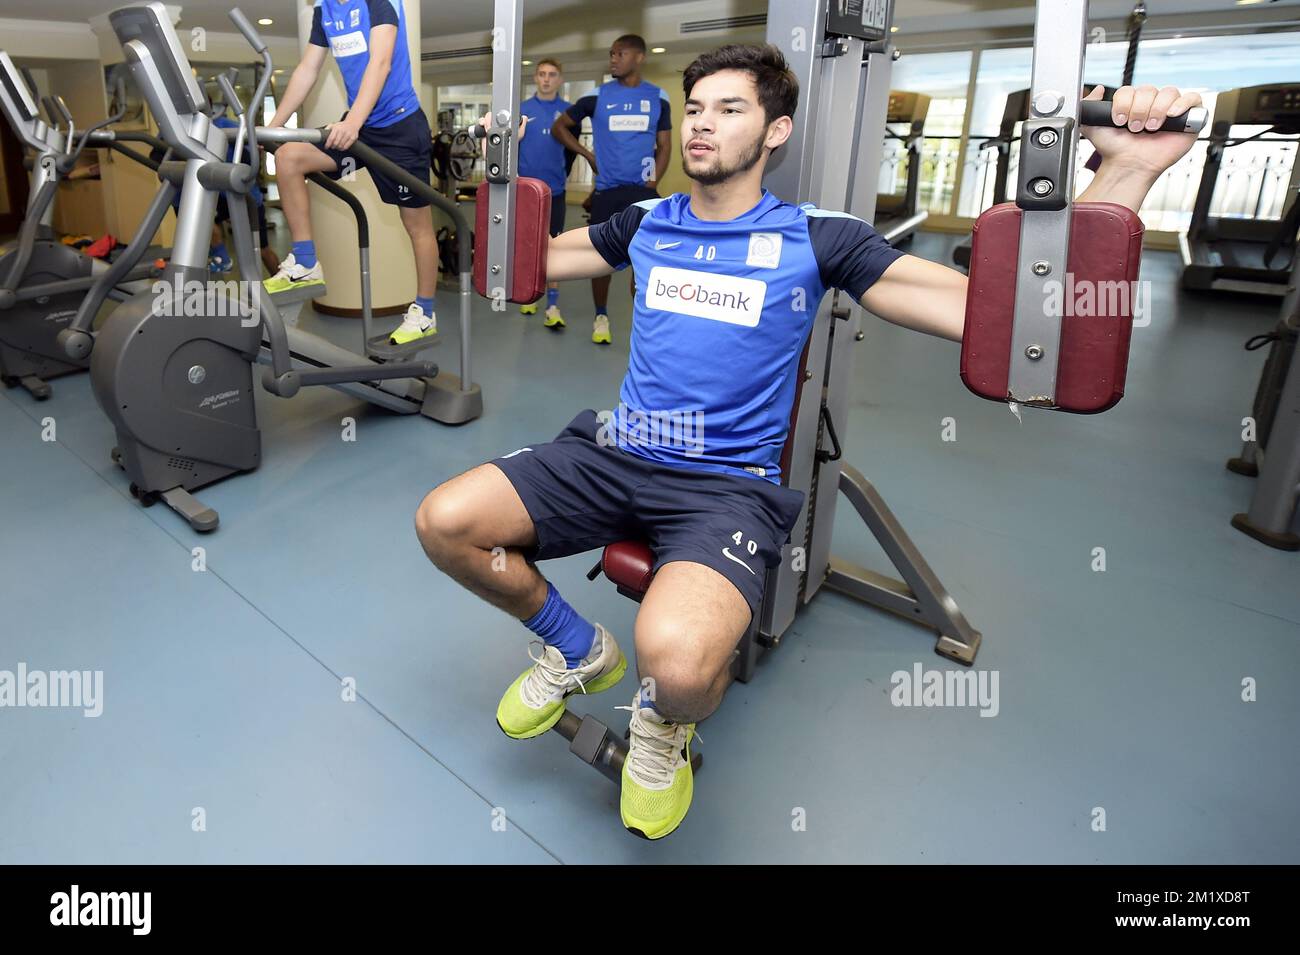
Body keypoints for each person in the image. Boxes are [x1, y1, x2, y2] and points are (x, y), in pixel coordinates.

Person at [416, 43, 1203, 840]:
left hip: (727, 487)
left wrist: (1126, 171)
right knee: (445, 522)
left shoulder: (818, 237)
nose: (702, 124)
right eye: (695, 109)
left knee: (678, 666)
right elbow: (519, 263)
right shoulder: (647, 221)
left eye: (730, 109)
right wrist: (499, 174)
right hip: (616, 449)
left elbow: (1005, 314)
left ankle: (662, 723)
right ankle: (577, 645)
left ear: (776, 130)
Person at [263, 0, 439, 347]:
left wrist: (353, 122)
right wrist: (273, 127)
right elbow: (307, 69)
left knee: (417, 226)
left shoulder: (378, 2)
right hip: (361, 125)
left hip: (401, 128)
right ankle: (305, 262)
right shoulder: (323, 11)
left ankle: (425, 314)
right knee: (287, 158)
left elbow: (381, 62)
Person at [552, 34, 671, 345]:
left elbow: (665, 144)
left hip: (642, 192)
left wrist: (654, 180)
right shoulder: (597, 96)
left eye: (621, 54)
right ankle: (601, 316)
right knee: (600, 258)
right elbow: (559, 127)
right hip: (607, 191)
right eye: (611, 54)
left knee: (643, 259)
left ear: (639, 57)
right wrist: (588, 155)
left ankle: (642, 322)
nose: (613, 59)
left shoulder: (658, 96)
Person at [517, 58, 576, 329]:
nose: (546, 79)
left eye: (552, 74)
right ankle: (529, 294)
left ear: (560, 79)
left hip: (555, 191)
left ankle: (552, 305)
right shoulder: (522, 110)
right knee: (528, 245)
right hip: (526, 191)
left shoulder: (567, 112)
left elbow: (571, 149)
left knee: (554, 246)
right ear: (535, 78)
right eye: (542, 74)